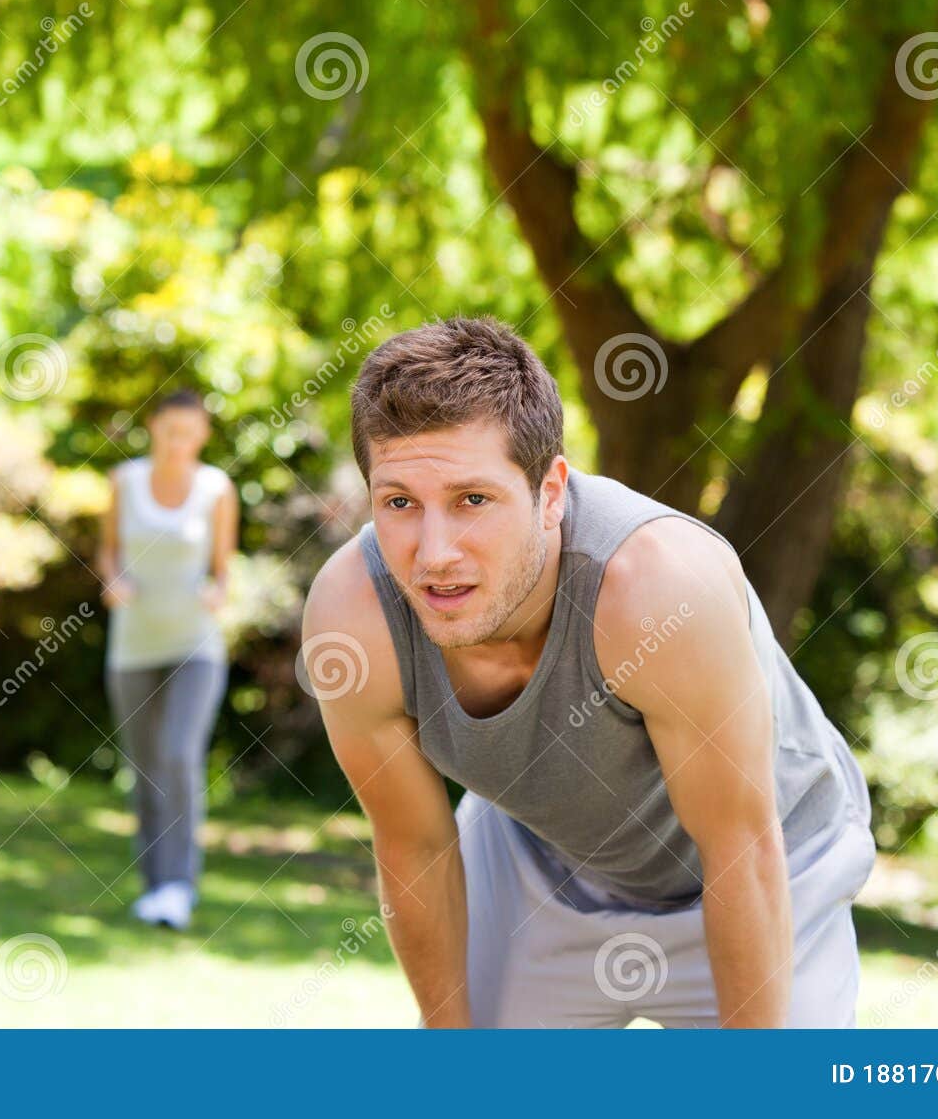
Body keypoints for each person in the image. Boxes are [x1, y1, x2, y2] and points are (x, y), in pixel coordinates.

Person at [301, 317, 876, 1027]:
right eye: (399, 503)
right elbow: (414, 843)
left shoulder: (656, 589)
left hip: (776, 866)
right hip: (548, 864)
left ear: (549, 493)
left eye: (472, 500)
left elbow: (741, 845)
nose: (434, 553)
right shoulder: (354, 619)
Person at [96, 388, 239, 930]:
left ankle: (180, 886)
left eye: (190, 431)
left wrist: (218, 592)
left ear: (202, 434)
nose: (180, 441)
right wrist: (111, 580)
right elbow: (108, 550)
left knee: (180, 755)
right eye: (170, 430)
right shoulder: (124, 482)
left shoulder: (215, 488)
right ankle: (154, 886)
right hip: (132, 646)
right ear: (153, 427)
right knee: (146, 768)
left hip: (195, 646)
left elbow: (223, 568)